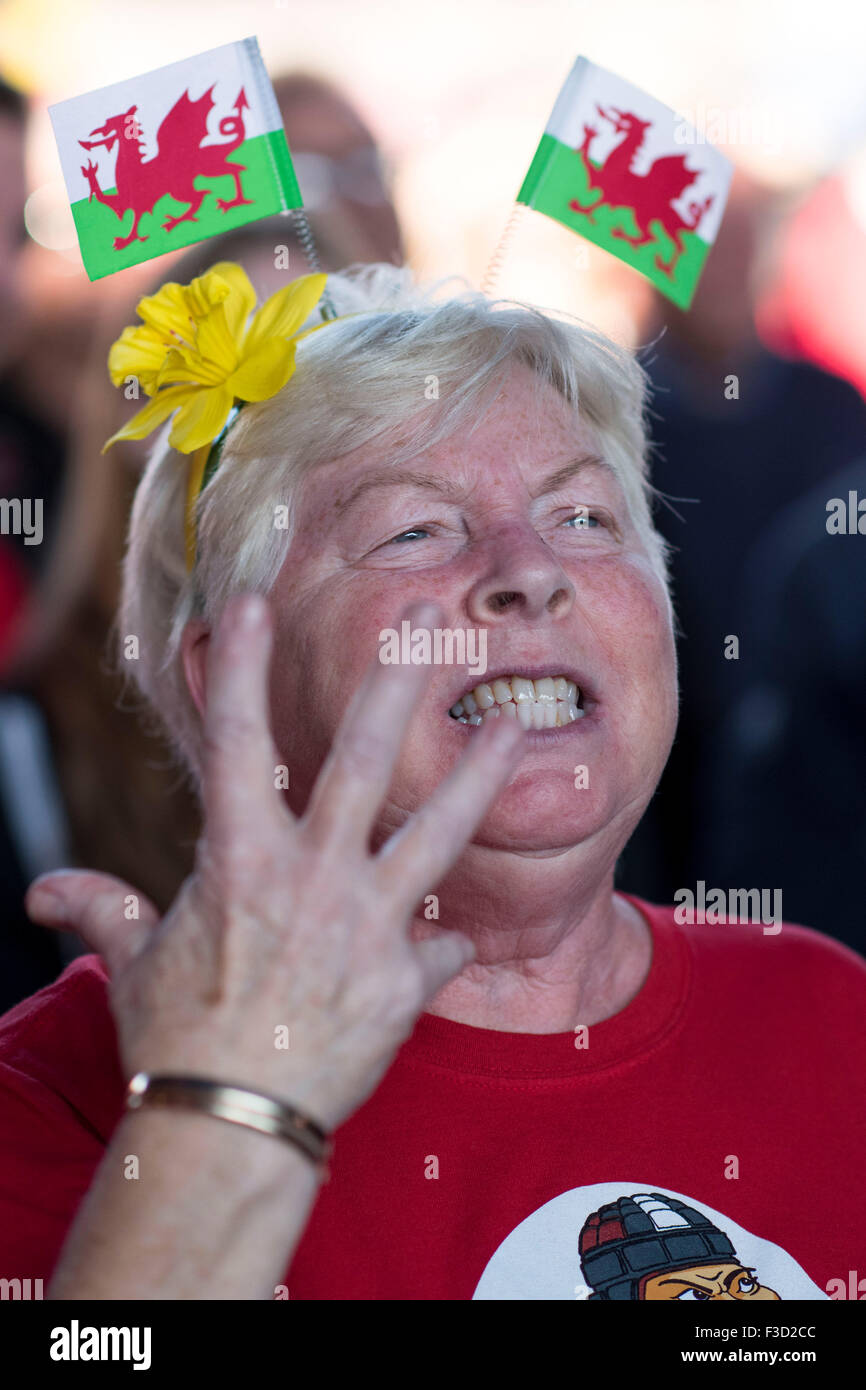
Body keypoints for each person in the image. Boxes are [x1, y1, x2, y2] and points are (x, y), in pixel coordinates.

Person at [0, 259, 863, 1301]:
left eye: (584, 517)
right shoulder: (58, 1089)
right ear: (232, 668)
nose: (529, 570)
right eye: (413, 529)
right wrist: (221, 1108)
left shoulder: (827, 1012)